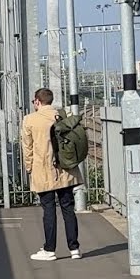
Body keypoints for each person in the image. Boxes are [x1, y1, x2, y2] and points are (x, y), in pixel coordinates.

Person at [21, 88, 82, 261]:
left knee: (48, 209)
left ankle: (49, 250)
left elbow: (27, 147)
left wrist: (28, 167)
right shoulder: (62, 115)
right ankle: (74, 249)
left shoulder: (30, 120)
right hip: (65, 170)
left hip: (43, 171)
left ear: (37, 101)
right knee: (68, 208)